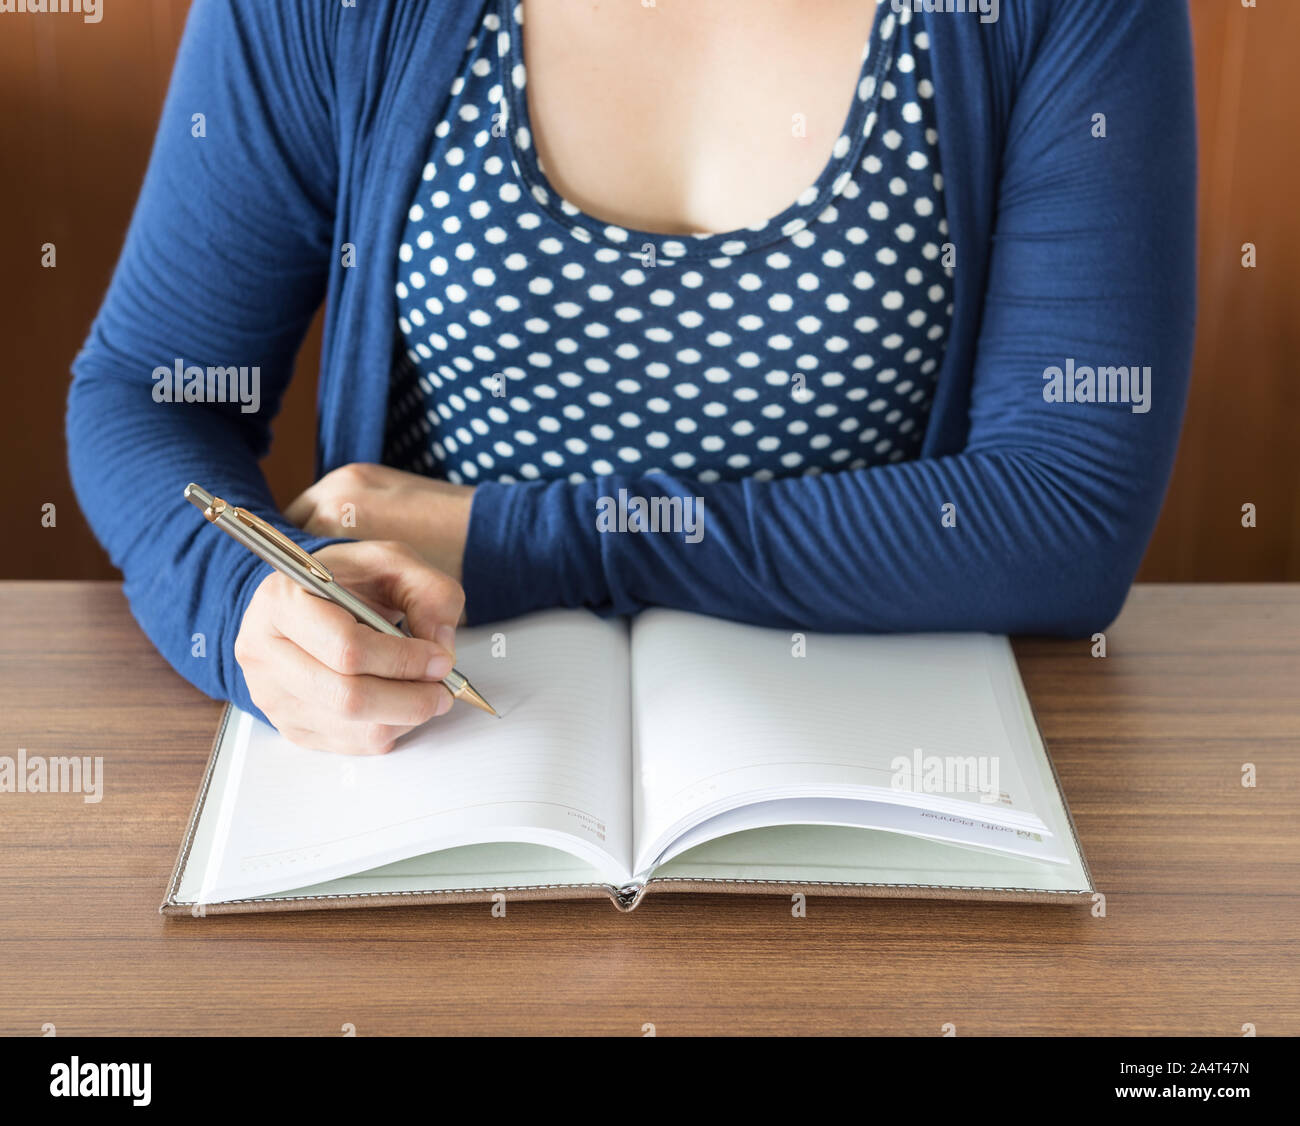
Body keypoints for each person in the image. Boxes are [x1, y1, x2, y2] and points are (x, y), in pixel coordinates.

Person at [67, 0, 1197, 754]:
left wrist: (519, 536)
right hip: (450, 755)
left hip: (876, 767)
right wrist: (240, 604)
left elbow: (1065, 517)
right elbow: (152, 391)